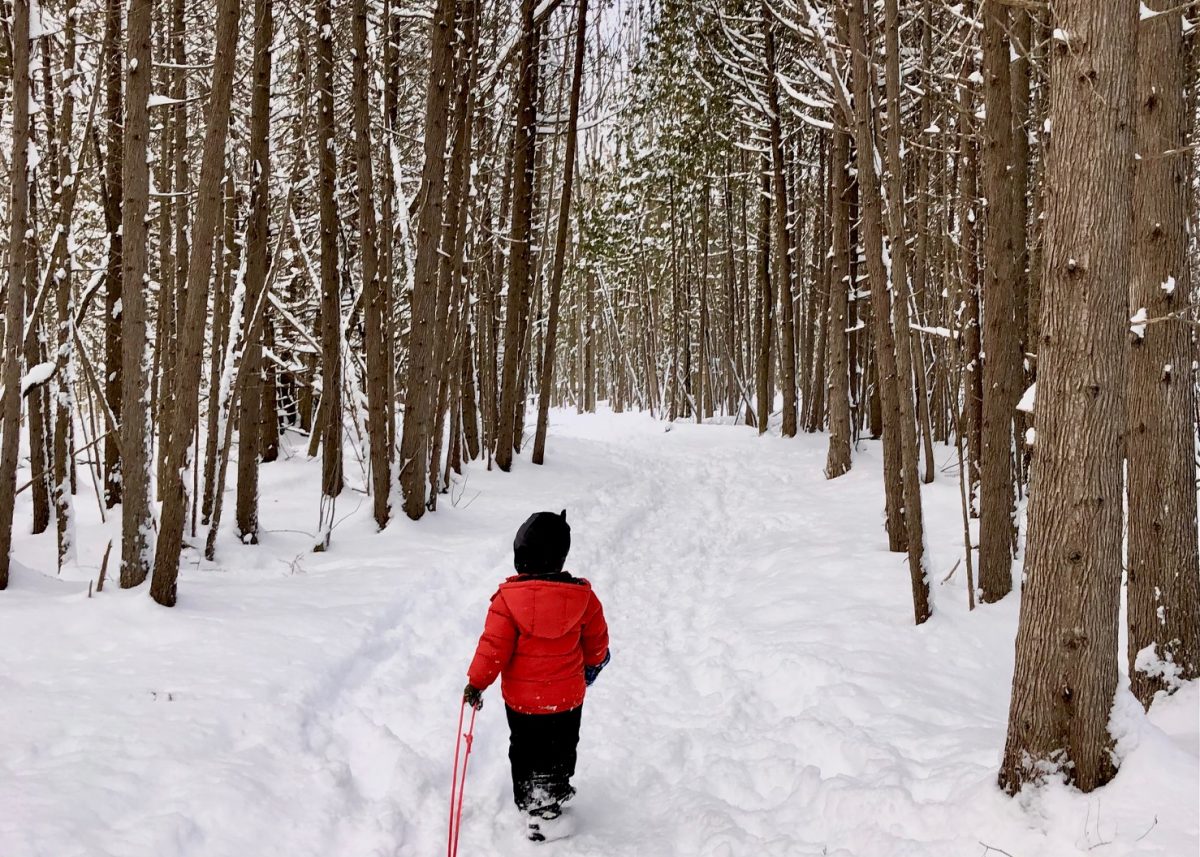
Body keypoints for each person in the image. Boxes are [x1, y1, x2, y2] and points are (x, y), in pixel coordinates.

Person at [464, 510, 610, 840]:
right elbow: (598, 643)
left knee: (526, 748)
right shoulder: (583, 598)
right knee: (561, 747)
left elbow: (493, 648)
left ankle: (531, 798)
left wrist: (477, 683)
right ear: (560, 558)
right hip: (567, 698)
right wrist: (593, 665)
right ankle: (551, 799)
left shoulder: (507, 601)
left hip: (523, 702)